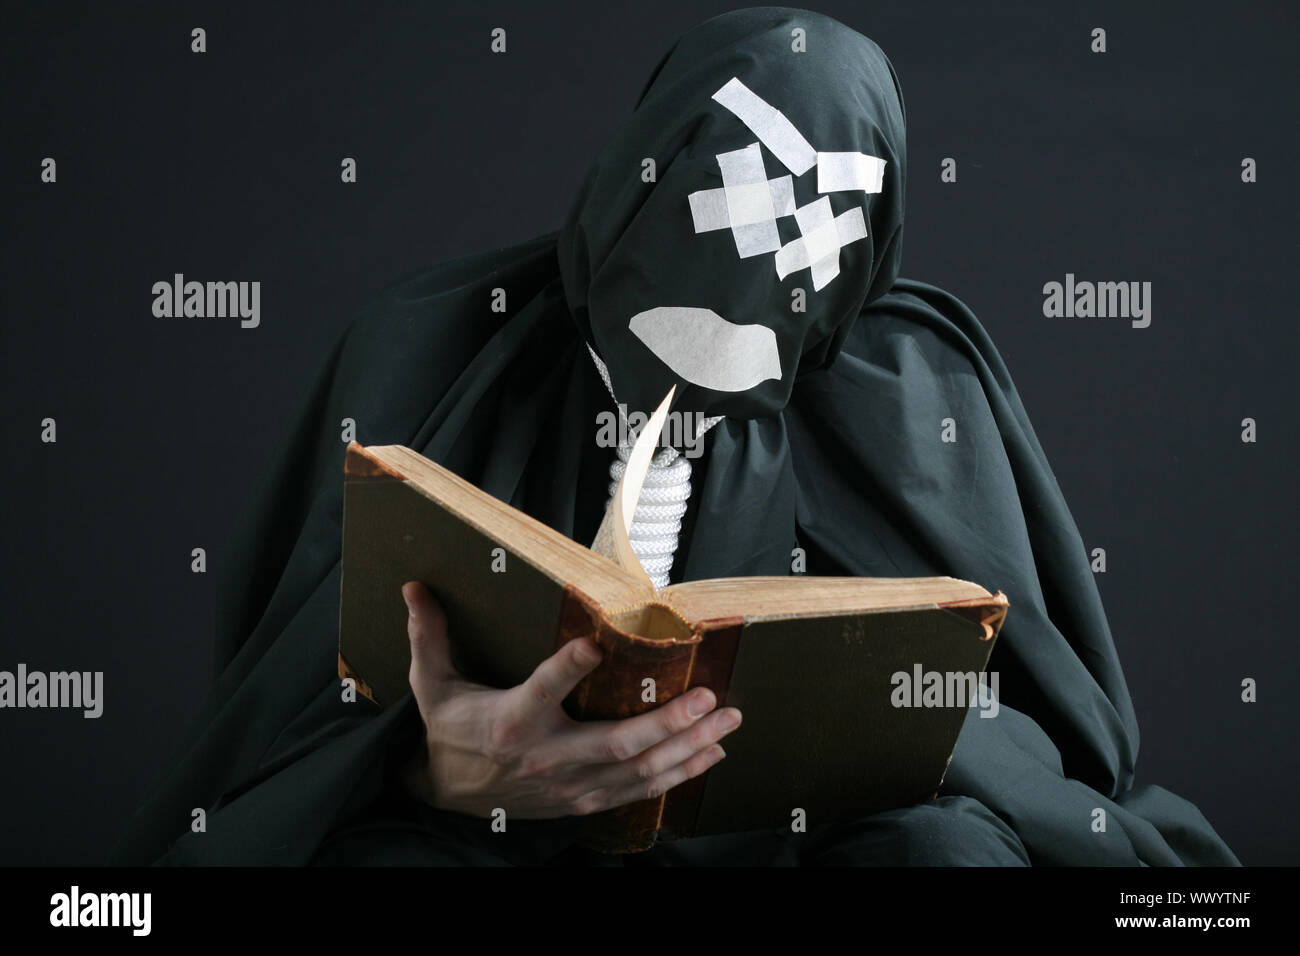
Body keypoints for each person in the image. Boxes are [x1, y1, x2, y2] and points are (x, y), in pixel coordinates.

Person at [110, 7, 1238, 866]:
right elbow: (284, 716)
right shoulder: (432, 346)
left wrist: (877, 731)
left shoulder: (904, 383)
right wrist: (440, 769)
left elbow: (1038, 716)